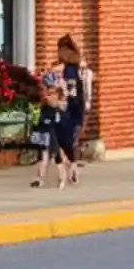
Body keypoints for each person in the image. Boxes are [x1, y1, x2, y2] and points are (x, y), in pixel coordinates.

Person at [55, 35, 89, 185]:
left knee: (66, 139)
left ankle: (72, 167)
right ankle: (73, 167)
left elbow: (67, 90)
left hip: (69, 108)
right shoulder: (77, 68)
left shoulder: (67, 70)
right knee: (70, 140)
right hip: (75, 107)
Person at [30, 72, 69, 189]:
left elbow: (58, 104)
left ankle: (63, 177)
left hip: (51, 128)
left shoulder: (53, 98)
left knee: (56, 153)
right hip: (44, 128)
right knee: (44, 155)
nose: (49, 91)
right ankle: (40, 178)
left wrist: (54, 100)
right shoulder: (45, 97)